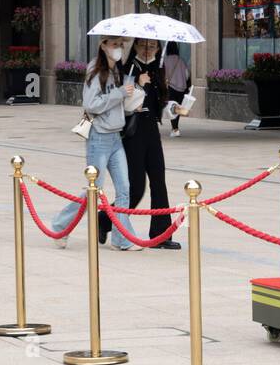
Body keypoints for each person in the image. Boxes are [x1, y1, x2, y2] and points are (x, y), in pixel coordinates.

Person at [51, 36, 142, 252]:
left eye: (121, 45)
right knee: (94, 190)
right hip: (99, 138)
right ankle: (60, 226)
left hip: (115, 137)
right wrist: (120, 94)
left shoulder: (117, 71)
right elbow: (91, 104)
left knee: (124, 190)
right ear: (103, 45)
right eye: (114, 44)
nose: (118, 49)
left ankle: (121, 239)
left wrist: (131, 102)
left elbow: (114, 104)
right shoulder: (95, 69)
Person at [119, 39, 179, 250]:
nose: (147, 50)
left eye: (152, 46)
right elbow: (124, 103)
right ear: (135, 46)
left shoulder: (158, 69)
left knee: (158, 181)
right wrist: (138, 83)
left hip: (151, 131)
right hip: (133, 132)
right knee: (136, 187)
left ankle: (161, 235)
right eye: (143, 45)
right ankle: (105, 220)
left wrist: (174, 108)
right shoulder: (127, 68)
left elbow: (159, 104)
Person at [162, 41, 191, 138]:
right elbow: (187, 75)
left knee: (172, 108)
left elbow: (162, 75)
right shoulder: (181, 60)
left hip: (171, 87)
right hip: (181, 88)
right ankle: (175, 128)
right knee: (177, 109)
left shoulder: (165, 61)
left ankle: (175, 129)